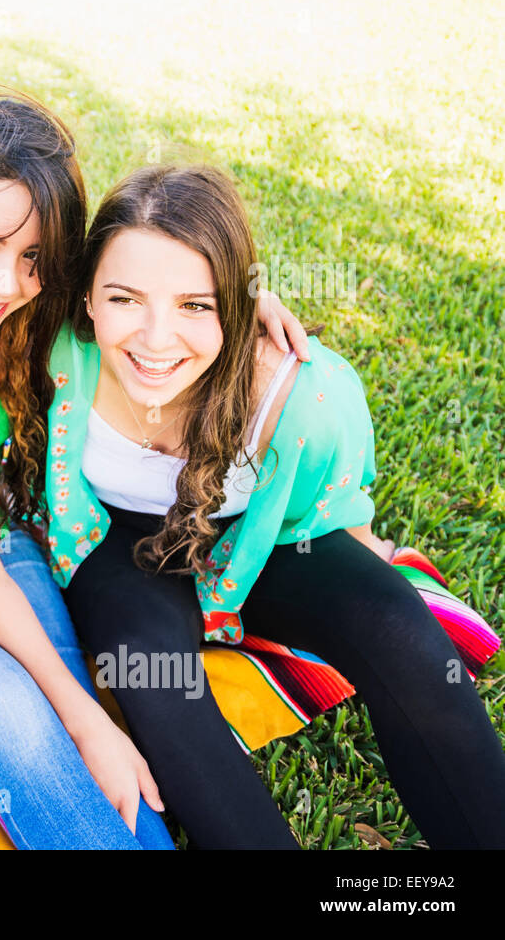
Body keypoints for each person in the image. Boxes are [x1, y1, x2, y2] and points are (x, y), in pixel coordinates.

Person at [0, 97, 306, 848]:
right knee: (12, 706)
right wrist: (77, 716)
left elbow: (145, 283)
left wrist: (237, 300)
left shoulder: (27, 318)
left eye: (33, 257)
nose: (5, 283)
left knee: (80, 692)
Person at [47, 163, 505, 849]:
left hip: (255, 543)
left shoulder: (304, 397)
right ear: (85, 297)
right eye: (125, 298)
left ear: (237, 303)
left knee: (396, 623)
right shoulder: (50, 352)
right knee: (149, 668)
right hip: (117, 545)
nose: (155, 337)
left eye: (195, 305)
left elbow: (341, 519)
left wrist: (373, 578)